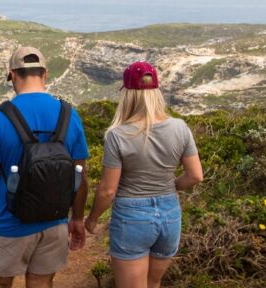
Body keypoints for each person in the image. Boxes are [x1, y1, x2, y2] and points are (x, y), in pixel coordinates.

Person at [0, 46, 90, 288]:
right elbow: (80, 175)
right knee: (41, 282)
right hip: (54, 222)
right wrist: (77, 217)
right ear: (45, 74)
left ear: (13, 75)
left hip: (9, 223)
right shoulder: (70, 115)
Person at [85, 61, 203, 288]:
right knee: (153, 283)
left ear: (127, 95)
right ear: (156, 92)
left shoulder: (118, 135)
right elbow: (196, 175)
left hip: (132, 217)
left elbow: (108, 191)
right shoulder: (180, 127)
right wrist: (170, 186)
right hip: (170, 215)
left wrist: (92, 219)